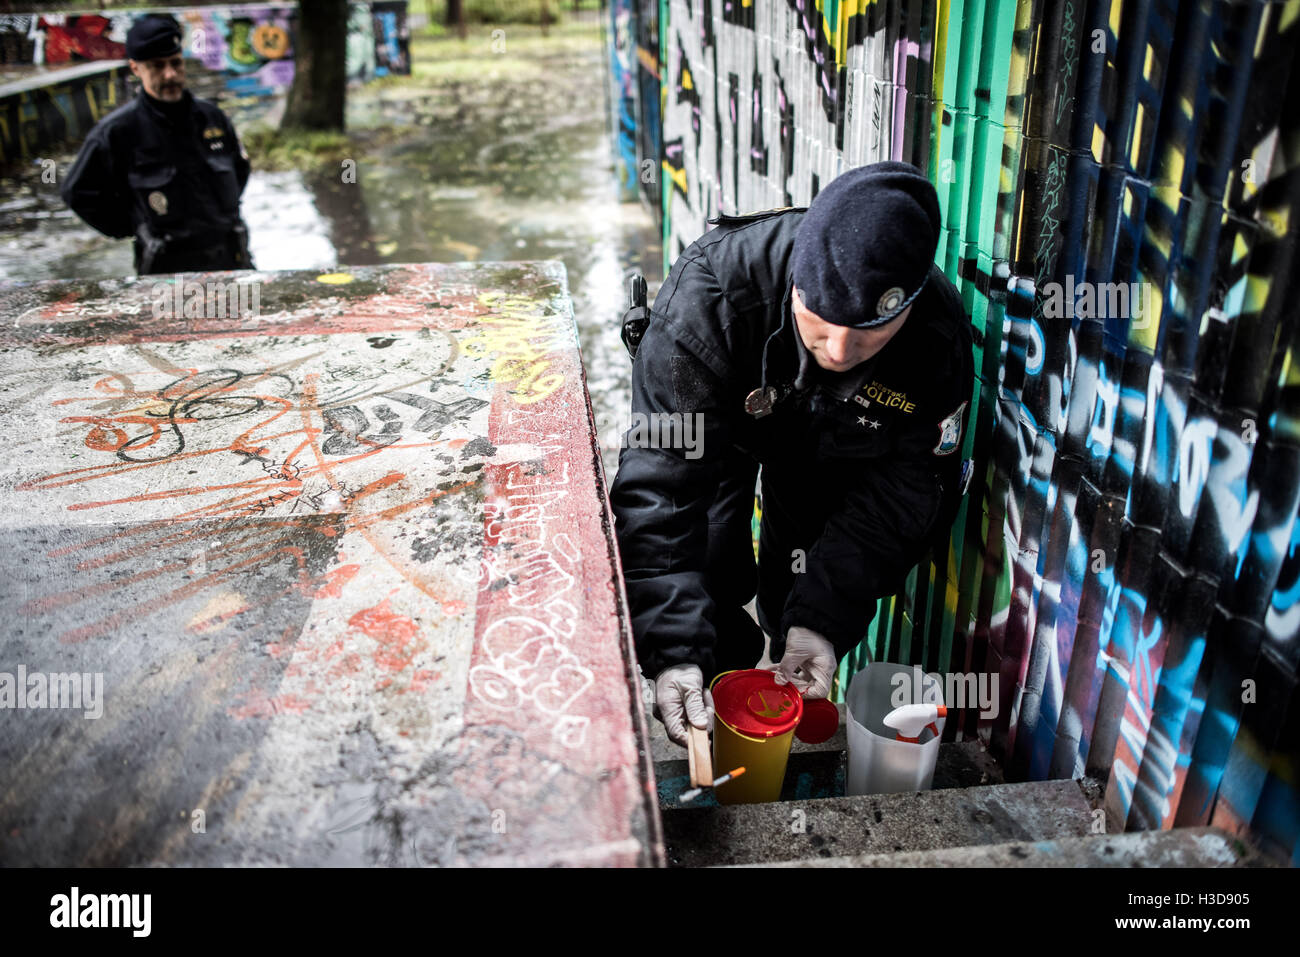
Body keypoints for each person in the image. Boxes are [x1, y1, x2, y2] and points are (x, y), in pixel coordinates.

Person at [610, 161, 975, 746]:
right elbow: (661, 485)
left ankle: (787, 662)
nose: (839, 350)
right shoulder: (714, 294)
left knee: (803, 571)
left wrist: (822, 622)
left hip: (831, 450)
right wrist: (672, 651)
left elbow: (904, 495)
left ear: (908, 306)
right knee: (708, 547)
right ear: (796, 282)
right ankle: (711, 683)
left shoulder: (936, 337)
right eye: (821, 323)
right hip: (720, 428)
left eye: (869, 333)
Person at [61, 14, 253, 275]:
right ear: (136, 68)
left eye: (176, 63)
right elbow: (77, 192)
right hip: (166, 270)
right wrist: (133, 225)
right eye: (157, 66)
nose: (170, 74)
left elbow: (240, 169)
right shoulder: (118, 132)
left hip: (230, 259)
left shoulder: (211, 118)